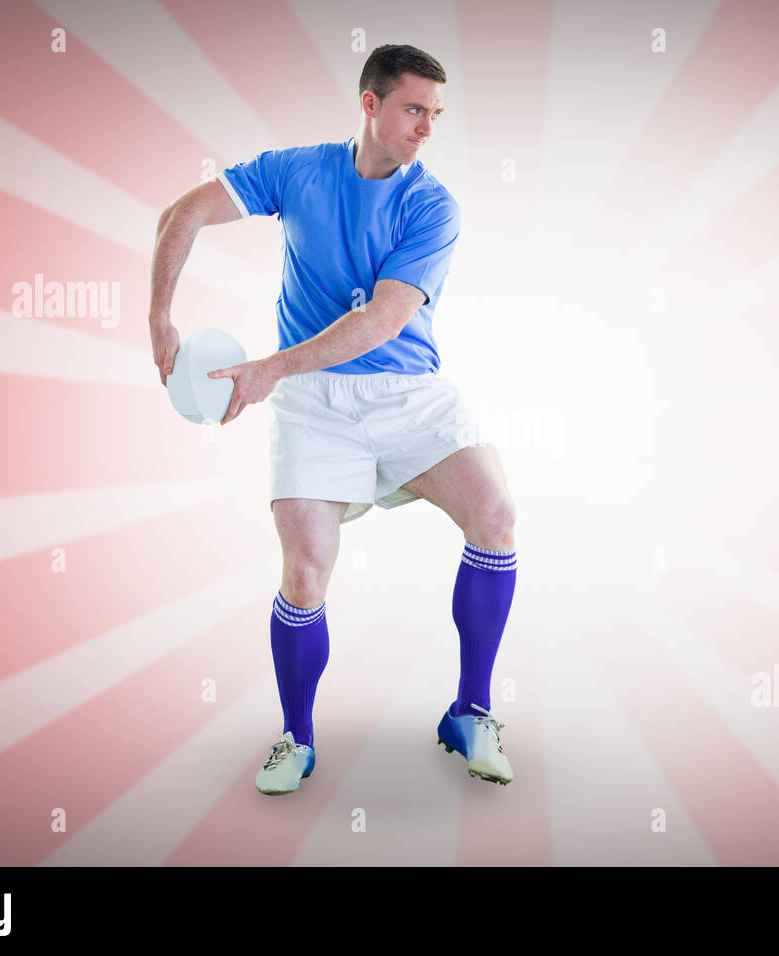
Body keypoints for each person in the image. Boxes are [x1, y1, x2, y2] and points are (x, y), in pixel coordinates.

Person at [148, 44, 517, 795]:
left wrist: (268, 368)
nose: (426, 129)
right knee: (306, 570)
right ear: (370, 103)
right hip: (314, 404)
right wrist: (159, 317)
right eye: (414, 109)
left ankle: (472, 711)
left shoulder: (433, 205)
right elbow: (182, 212)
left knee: (497, 515)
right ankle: (297, 737)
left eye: (436, 115)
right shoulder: (297, 171)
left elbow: (384, 320)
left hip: (409, 392)